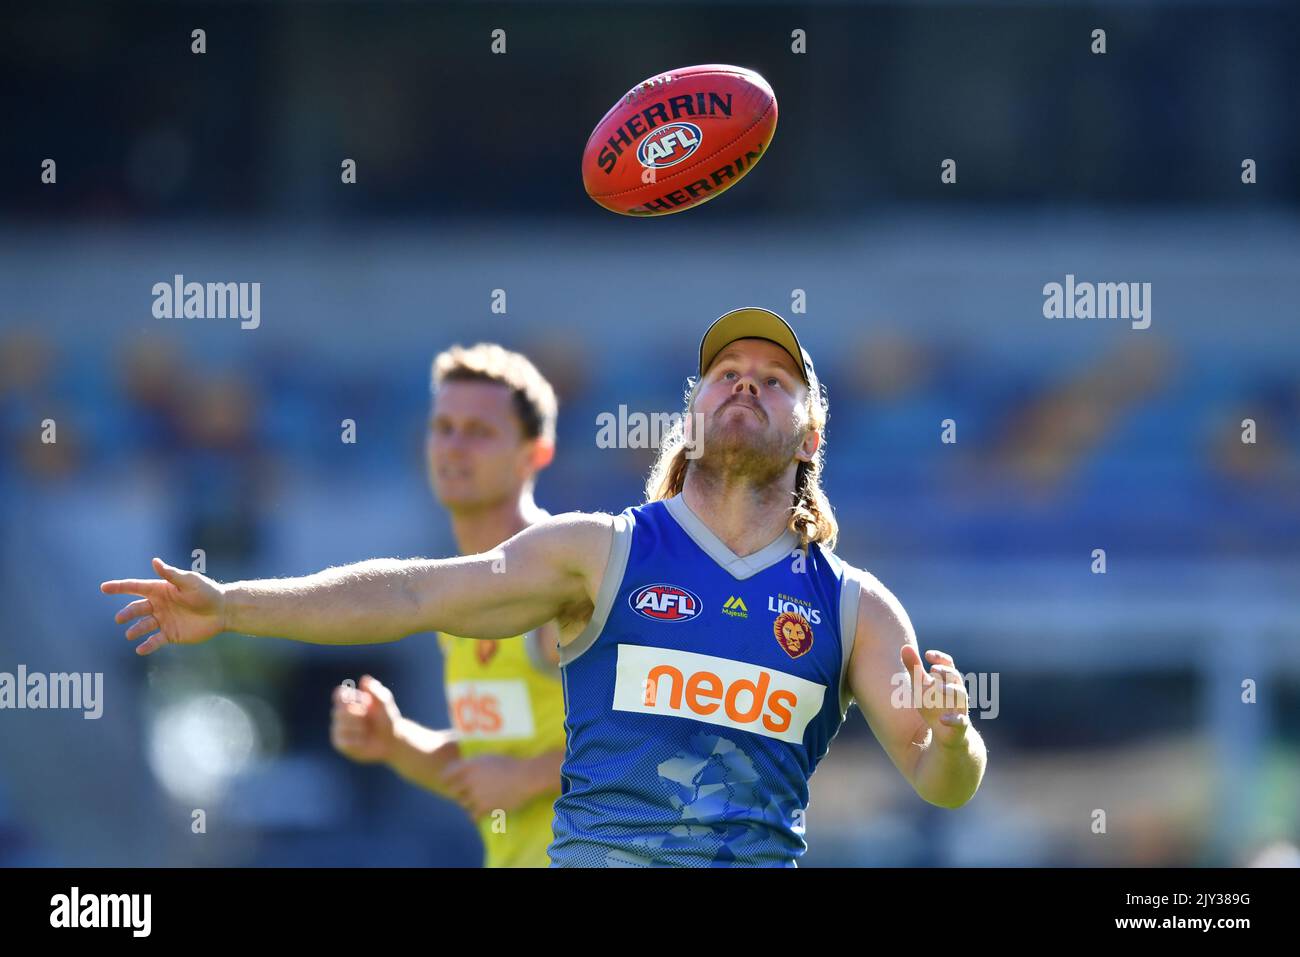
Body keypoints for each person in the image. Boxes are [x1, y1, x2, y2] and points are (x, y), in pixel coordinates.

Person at [103, 306, 987, 867]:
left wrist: (951, 736)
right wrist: (232, 606)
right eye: (726, 374)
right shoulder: (596, 554)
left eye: (774, 380)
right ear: (694, 416)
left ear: (808, 439)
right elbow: (415, 594)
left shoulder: (855, 605)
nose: (745, 384)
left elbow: (941, 778)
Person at [331, 343, 566, 868]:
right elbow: (486, 770)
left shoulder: (561, 580)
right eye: (443, 428)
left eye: (480, 432)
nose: (454, 447)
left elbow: (660, 733)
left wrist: (525, 779)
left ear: (535, 453)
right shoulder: (462, 590)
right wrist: (393, 743)